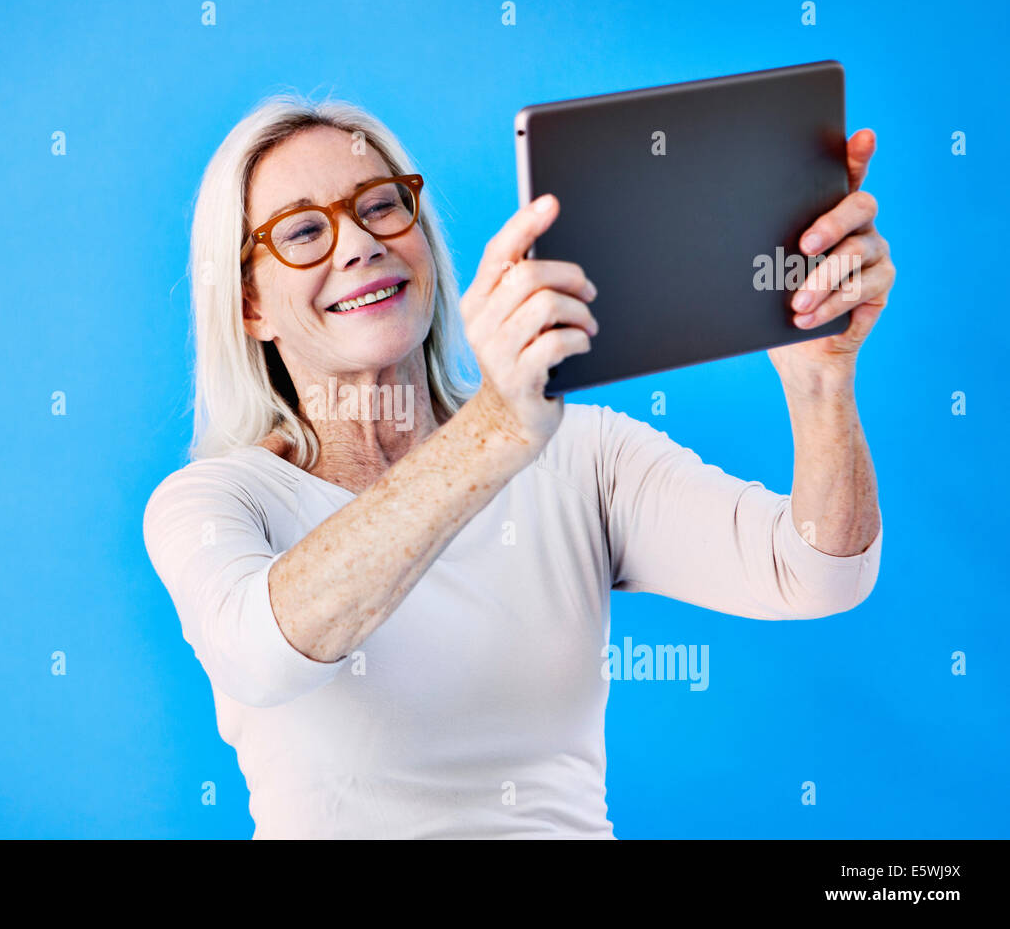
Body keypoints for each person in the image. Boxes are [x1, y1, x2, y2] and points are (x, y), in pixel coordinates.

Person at [143, 92, 891, 838]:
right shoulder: (214, 503)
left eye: (379, 206)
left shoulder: (580, 452)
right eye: (303, 231)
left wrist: (819, 378)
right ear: (249, 305)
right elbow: (263, 655)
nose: (357, 245)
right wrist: (494, 432)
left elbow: (819, 573)